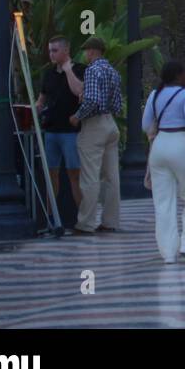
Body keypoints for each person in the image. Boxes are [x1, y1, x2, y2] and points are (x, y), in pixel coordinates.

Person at [142, 60, 185, 263]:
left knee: (163, 202)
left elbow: (145, 124)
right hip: (181, 142)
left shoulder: (155, 95)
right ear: (178, 75)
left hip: (160, 146)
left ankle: (168, 253)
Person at [71, 36, 122, 235]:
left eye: (86, 51)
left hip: (94, 125)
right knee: (112, 177)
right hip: (111, 123)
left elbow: (91, 101)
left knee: (90, 176)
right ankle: (110, 221)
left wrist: (77, 116)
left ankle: (86, 223)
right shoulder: (113, 72)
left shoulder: (92, 70)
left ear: (92, 51)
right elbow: (117, 103)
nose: (85, 55)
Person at [35, 35, 85, 208]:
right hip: (51, 130)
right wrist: (37, 108)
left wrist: (68, 69)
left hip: (70, 132)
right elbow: (41, 99)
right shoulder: (48, 74)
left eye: (55, 50)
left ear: (66, 50)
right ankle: (51, 216)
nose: (51, 54)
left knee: (74, 174)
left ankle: (82, 217)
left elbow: (79, 90)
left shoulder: (79, 69)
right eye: (50, 51)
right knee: (51, 174)